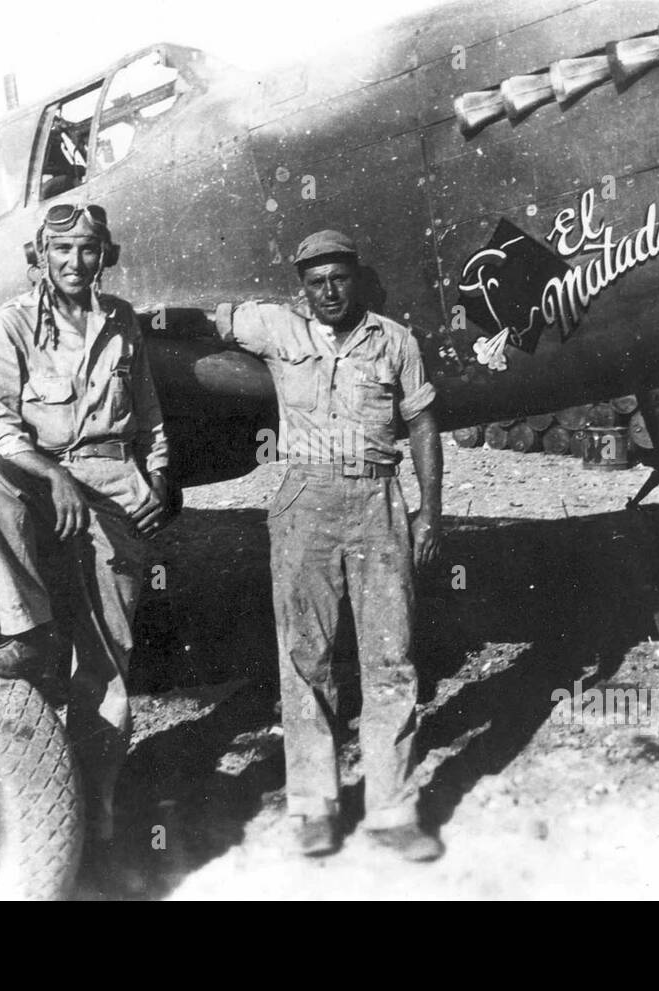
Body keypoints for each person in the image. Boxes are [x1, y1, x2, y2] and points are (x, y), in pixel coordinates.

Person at [215, 229, 445, 861]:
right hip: (304, 501)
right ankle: (314, 805)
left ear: (357, 280)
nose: (329, 291)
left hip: (378, 499)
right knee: (305, 656)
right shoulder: (275, 329)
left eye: (339, 278)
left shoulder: (395, 340)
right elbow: (207, 321)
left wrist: (430, 512)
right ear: (301, 289)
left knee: (390, 656)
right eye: (316, 283)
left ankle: (394, 811)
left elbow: (423, 421)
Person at [0, 203, 174, 842]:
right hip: (41, 478)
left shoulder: (123, 323)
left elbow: (150, 415)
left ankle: (93, 820)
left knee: (106, 668)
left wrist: (157, 478)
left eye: (87, 250)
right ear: (40, 258)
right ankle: (28, 629)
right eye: (62, 251)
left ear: (104, 256)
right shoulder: (11, 325)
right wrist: (53, 477)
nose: (75, 263)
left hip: (114, 488)